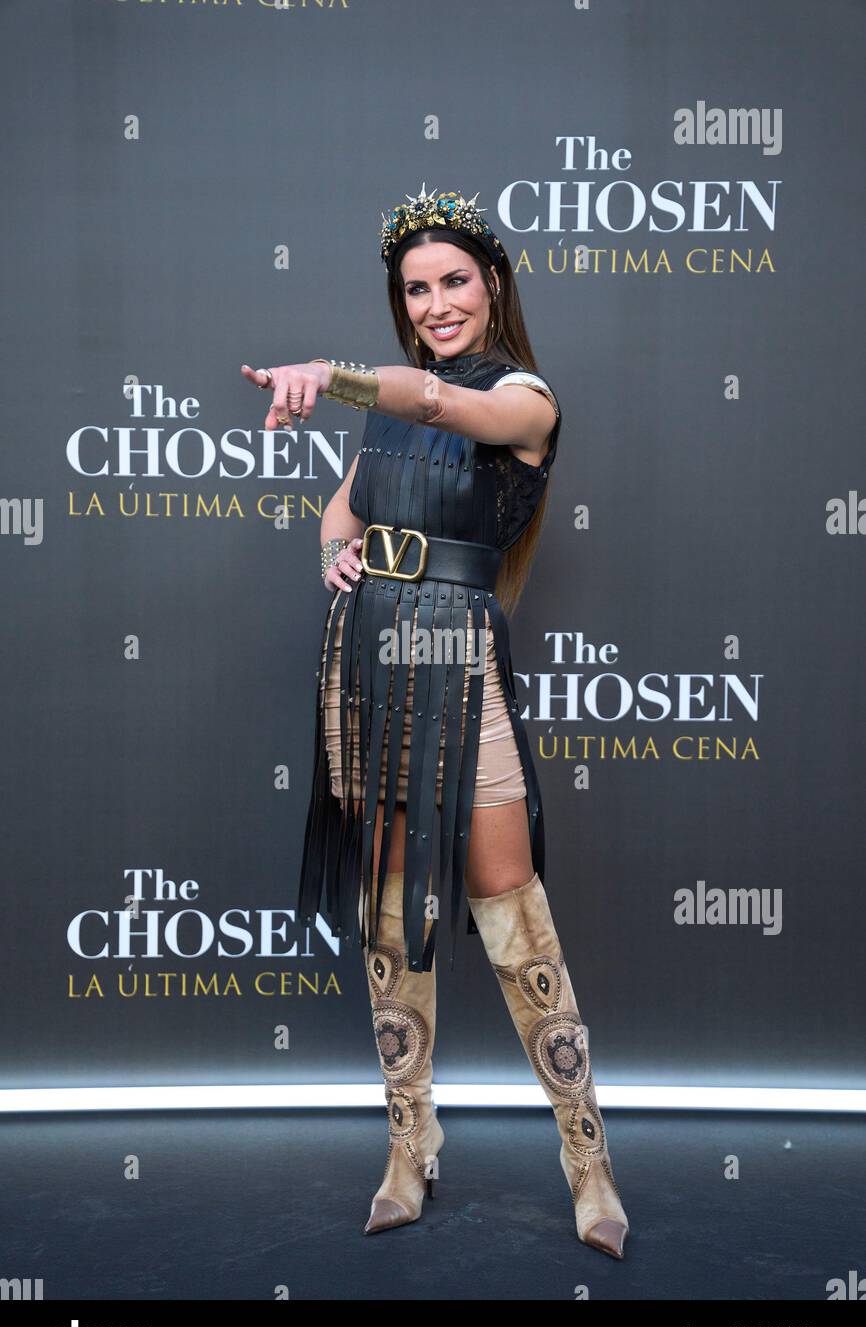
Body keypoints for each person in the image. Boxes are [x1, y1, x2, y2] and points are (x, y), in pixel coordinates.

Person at [240, 186, 630, 1259]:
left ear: (491, 283)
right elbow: (346, 503)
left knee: (509, 905)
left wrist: (336, 372)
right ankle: (409, 1142)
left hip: (455, 658)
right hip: (366, 656)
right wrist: (335, 553)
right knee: (386, 907)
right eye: (415, 289)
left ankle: (585, 1157)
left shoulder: (524, 397)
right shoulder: (389, 404)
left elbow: (445, 410)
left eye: (453, 279)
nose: (435, 302)